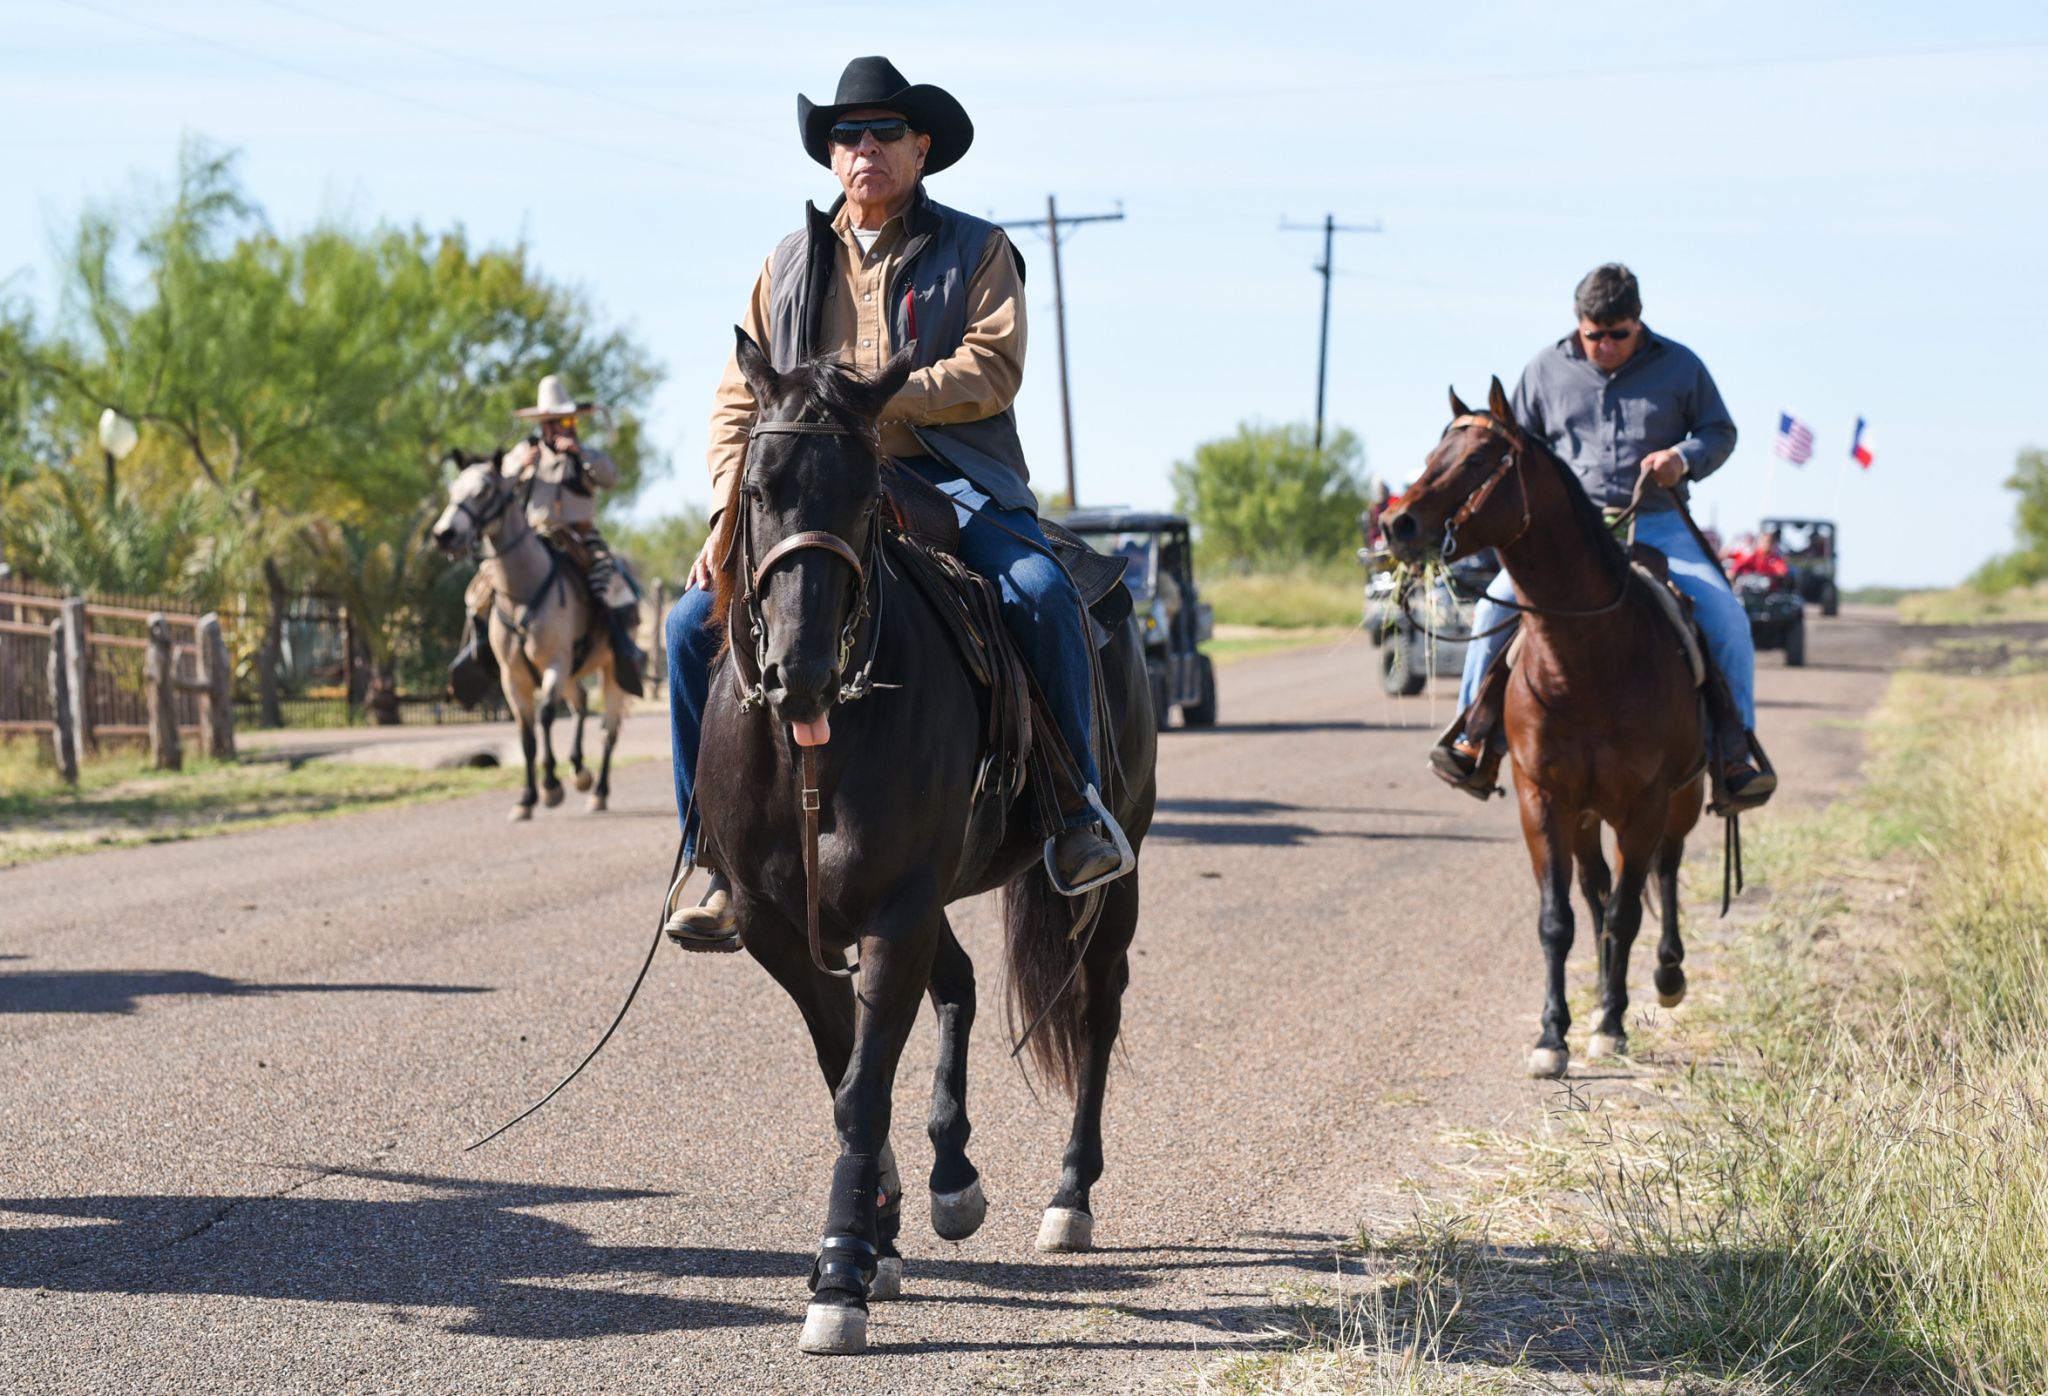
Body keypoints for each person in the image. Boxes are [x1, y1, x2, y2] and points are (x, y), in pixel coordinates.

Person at [663, 56, 1126, 946]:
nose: (864, 147)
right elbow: (739, 401)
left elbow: (992, 366)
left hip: (950, 478)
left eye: (882, 132)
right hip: (809, 496)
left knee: (1039, 592)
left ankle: (1075, 812)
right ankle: (710, 856)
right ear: (831, 156)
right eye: (847, 134)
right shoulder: (786, 262)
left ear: (921, 148)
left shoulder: (979, 248)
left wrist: (874, 399)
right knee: (688, 627)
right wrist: (728, 519)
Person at [1430, 264, 1775, 810]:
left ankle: (1734, 753)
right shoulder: (1544, 371)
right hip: (1566, 533)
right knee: (1490, 612)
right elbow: (1515, 452)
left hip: (1658, 521)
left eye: (1619, 334)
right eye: (1596, 334)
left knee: (1726, 616)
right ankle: (1474, 740)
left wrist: (1682, 459)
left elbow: (1719, 432)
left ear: (1639, 323)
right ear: (1578, 324)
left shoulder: (1681, 366)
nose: (1607, 345)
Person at [449, 376, 646, 700]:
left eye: (569, 421)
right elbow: (495, 485)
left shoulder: (587, 455)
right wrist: (520, 469)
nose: (565, 428)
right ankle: (477, 653)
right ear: (545, 426)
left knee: (612, 584)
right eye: (557, 423)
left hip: (579, 537)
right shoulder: (523, 454)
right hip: (533, 537)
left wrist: (580, 453)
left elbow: (609, 477)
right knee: (481, 590)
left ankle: (624, 650)